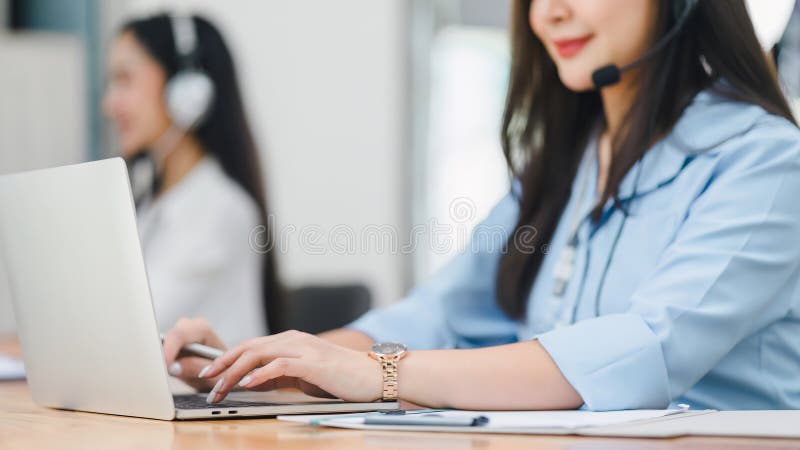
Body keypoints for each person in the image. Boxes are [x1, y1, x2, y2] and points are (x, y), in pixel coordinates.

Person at [163, 0, 800, 410]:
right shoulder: (565, 165)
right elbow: (440, 315)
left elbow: (648, 348)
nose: (548, 12)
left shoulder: (765, 161)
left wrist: (382, 375)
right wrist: (263, 366)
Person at [103, 14, 281, 349]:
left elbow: (126, 329)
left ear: (186, 91)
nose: (109, 104)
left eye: (125, 79)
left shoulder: (219, 208)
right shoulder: (154, 202)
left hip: (212, 399)